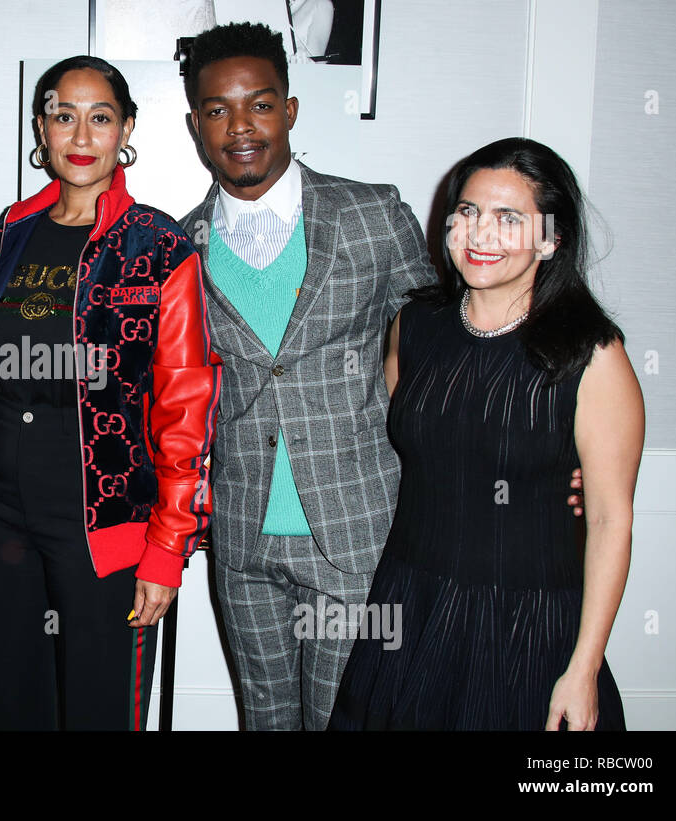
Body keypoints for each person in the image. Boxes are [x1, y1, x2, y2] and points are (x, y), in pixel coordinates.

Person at [329, 138, 642, 730]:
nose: (480, 234)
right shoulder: (416, 325)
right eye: (468, 212)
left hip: (524, 623)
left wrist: (584, 666)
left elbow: (609, 519)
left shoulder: (590, 354)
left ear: (550, 238)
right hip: (410, 606)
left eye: (509, 219)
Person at [177, 21, 438, 730]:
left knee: (341, 718)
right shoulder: (177, 245)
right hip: (241, 537)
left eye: (259, 104)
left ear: (289, 109)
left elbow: (441, 358)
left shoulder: (371, 215)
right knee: (263, 719)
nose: (240, 126)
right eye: (217, 109)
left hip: (355, 533)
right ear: (196, 122)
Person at [0, 56, 221, 731]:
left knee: (100, 707)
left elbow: (185, 406)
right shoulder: (0, 240)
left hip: (103, 519)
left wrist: (169, 548)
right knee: (2, 700)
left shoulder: (160, 247)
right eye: (63, 115)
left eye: (100, 117)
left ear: (126, 128)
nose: (81, 134)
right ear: (42, 128)